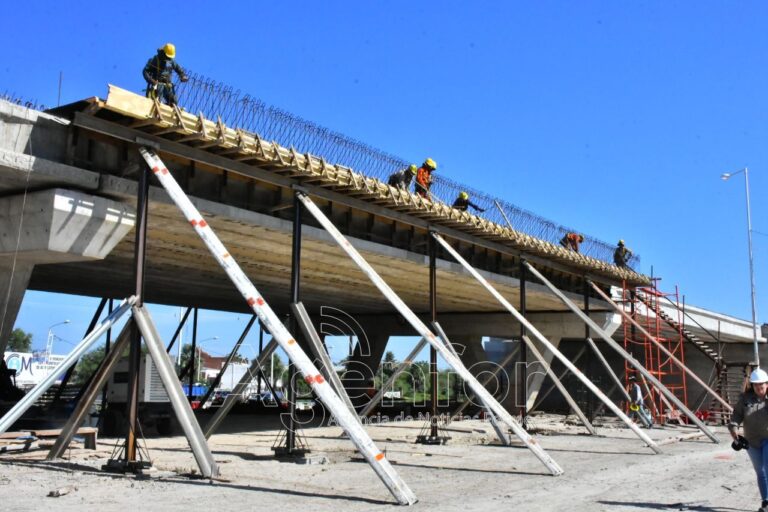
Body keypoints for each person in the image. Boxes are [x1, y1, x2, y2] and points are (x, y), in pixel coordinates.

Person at [729, 368, 768, 512]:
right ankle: (765, 502)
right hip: (751, 441)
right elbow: (736, 416)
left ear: (767, 384)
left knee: (767, 467)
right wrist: (734, 429)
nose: (759, 387)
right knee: (760, 472)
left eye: (761, 384)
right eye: (756, 384)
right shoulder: (745, 399)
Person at [143, 43, 188, 107]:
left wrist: (182, 76)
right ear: (164, 53)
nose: (169, 58)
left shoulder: (171, 61)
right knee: (158, 100)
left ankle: (167, 106)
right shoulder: (155, 59)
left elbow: (178, 69)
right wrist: (152, 81)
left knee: (173, 102)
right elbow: (145, 71)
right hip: (157, 84)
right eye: (168, 56)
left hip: (168, 85)